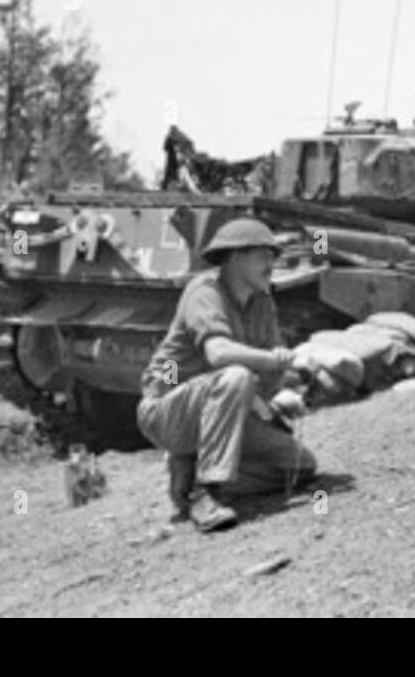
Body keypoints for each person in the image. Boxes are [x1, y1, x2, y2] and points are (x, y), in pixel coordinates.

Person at [136, 218, 317, 532]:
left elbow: (271, 369)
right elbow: (217, 353)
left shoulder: (262, 302)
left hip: (221, 407)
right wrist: (274, 361)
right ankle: (206, 493)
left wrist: (289, 380)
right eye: (263, 255)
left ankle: (192, 472)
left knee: (298, 466)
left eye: (273, 256)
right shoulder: (204, 291)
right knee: (235, 376)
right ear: (235, 257)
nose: (271, 264)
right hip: (167, 406)